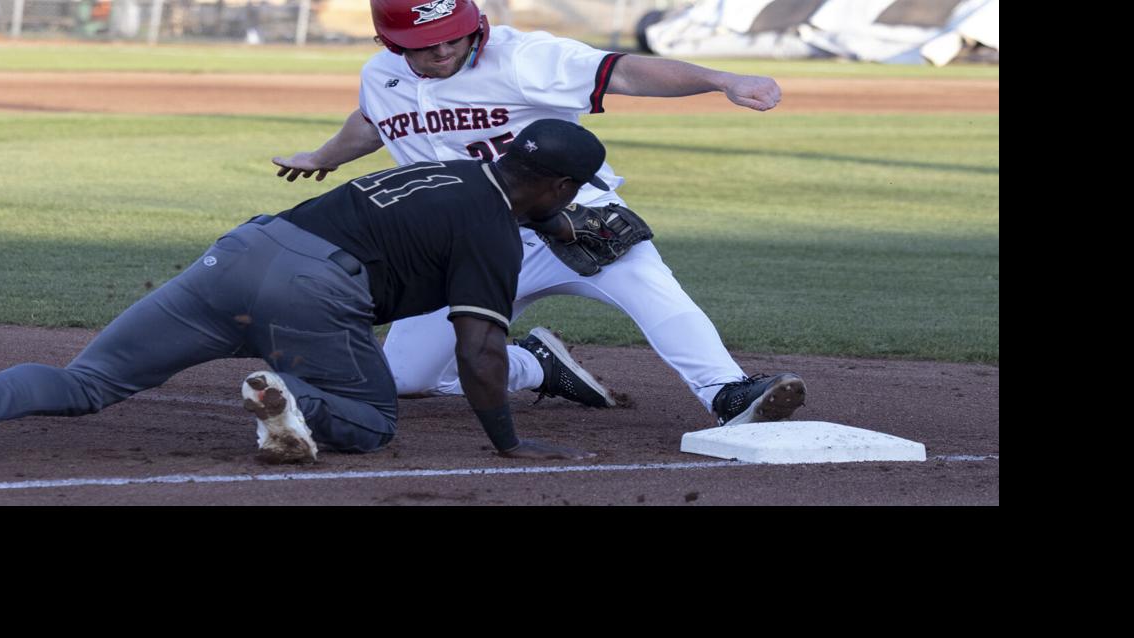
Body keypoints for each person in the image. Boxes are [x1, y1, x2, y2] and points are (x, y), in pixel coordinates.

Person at [0, 119, 614, 471]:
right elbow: (480, 350)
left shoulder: (451, 174)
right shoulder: (490, 225)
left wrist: (549, 227)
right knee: (369, 421)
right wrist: (510, 441)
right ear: (557, 184)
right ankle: (289, 400)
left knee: (87, 382)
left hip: (236, 256)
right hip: (312, 289)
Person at [272, 0, 806, 428]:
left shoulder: (523, 57)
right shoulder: (381, 75)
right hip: (464, 247)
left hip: (573, 226)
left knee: (651, 289)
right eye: (424, 46)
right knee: (407, 377)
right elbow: (372, 121)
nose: (442, 53)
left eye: (453, 38)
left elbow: (622, 71)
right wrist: (322, 157)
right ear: (389, 43)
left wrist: (721, 80)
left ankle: (728, 392)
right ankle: (535, 365)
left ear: (474, 26)